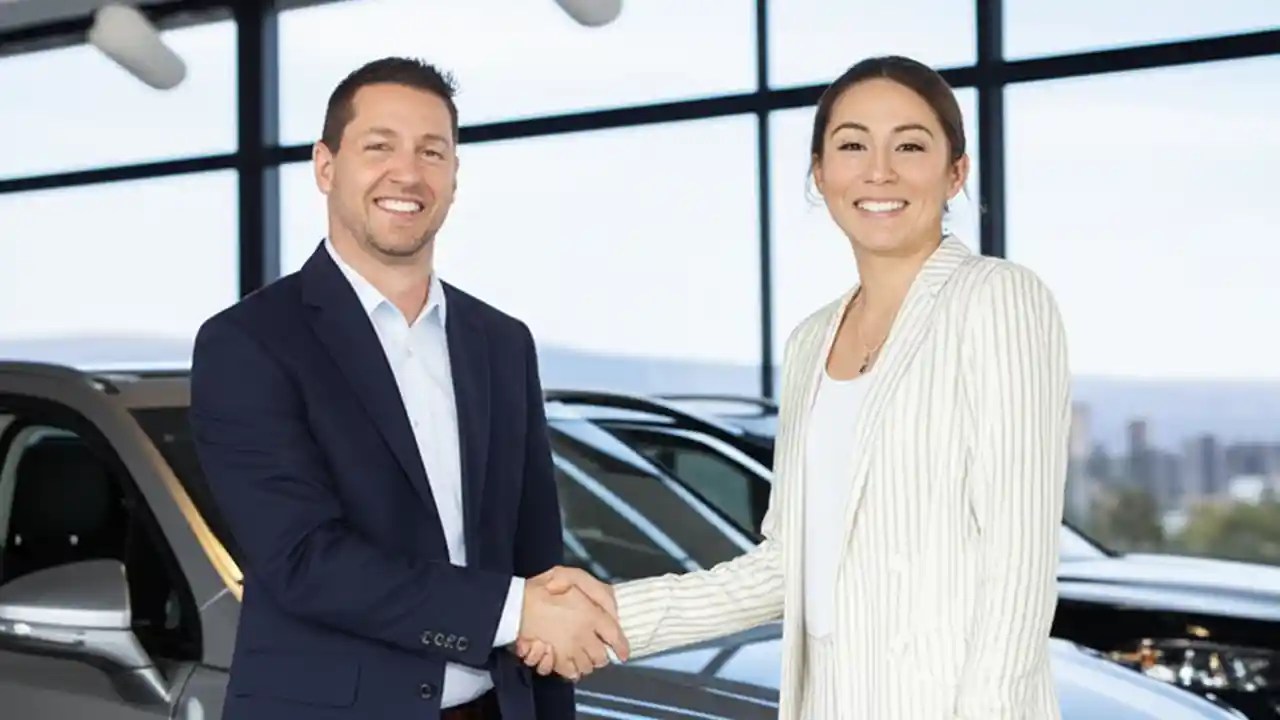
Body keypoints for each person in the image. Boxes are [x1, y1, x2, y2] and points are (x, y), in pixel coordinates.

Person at [519, 55, 1071, 720]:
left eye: (910, 146)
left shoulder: (997, 299)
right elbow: (785, 568)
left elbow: (1018, 564)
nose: (880, 170)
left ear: (956, 171)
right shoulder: (812, 341)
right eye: (852, 145)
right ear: (821, 172)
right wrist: (611, 612)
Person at [188, 56, 626, 720]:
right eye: (379, 146)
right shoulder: (247, 343)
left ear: (453, 176)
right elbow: (304, 559)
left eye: (432, 151)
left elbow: (537, 559)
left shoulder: (503, 344)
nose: (409, 173)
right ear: (326, 166)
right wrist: (513, 610)